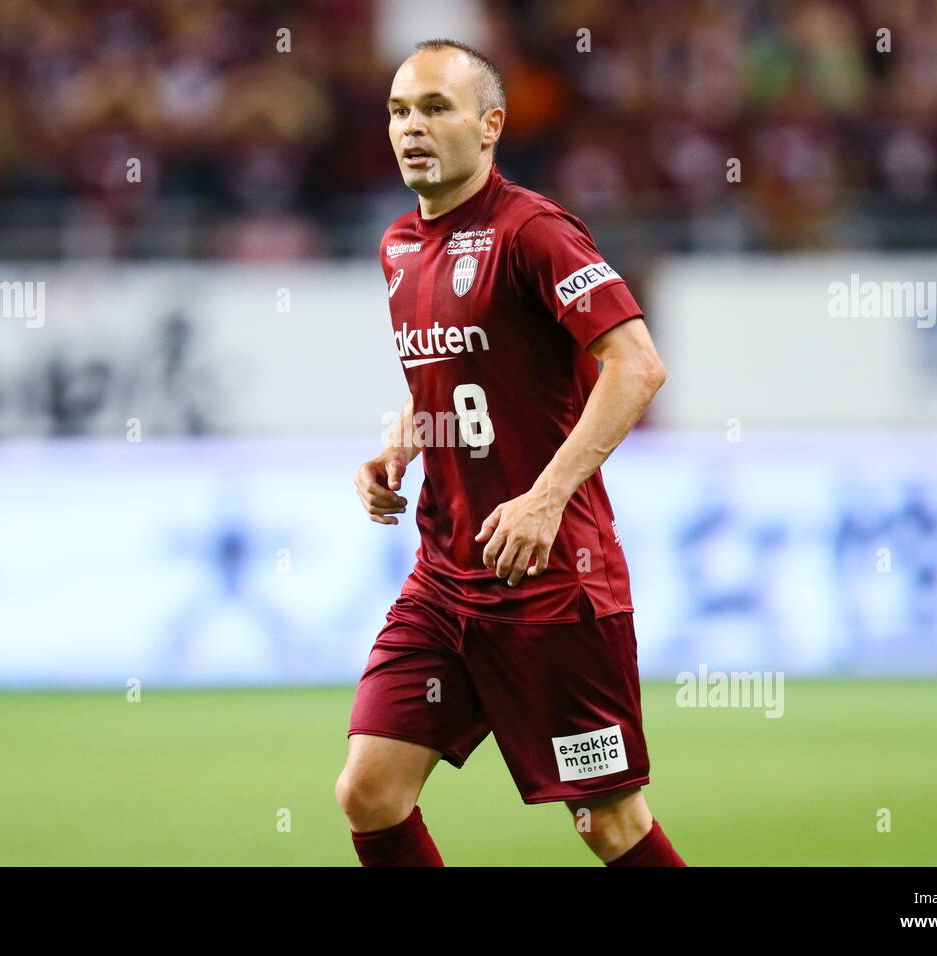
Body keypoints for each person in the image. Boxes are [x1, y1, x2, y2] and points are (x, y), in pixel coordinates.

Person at [339, 38, 683, 867]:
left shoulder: (533, 232)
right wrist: (403, 440)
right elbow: (453, 380)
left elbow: (636, 366)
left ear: (490, 126)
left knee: (609, 822)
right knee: (370, 791)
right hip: (446, 579)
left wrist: (545, 495)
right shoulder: (399, 246)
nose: (411, 128)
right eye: (397, 111)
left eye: (435, 109)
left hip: (551, 585)